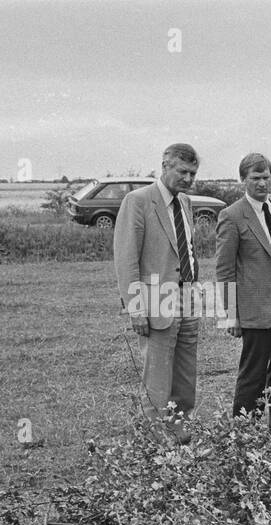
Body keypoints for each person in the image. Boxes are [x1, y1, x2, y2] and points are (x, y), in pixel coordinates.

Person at [113, 142, 203, 441]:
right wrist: (136, 307)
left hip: (188, 297)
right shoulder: (137, 201)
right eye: (182, 172)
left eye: (192, 173)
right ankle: (155, 438)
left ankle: (180, 428)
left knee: (185, 371)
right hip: (156, 300)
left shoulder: (185, 203)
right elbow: (126, 259)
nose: (188, 179)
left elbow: (186, 251)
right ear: (165, 166)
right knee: (157, 373)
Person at [215, 152, 271, 432]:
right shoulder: (232, 216)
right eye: (256, 178)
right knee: (253, 371)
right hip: (257, 304)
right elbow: (224, 270)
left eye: (266, 177)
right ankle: (244, 432)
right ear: (243, 180)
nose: (262, 184)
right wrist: (231, 316)